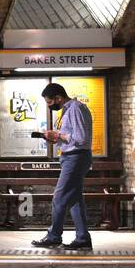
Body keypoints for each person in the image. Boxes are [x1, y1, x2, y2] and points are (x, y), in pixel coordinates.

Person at [32, 83, 94, 250]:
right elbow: (72, 137)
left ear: (58, 98)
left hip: (76, 158)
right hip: (72, 157)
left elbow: (80, 139)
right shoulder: (69, 110)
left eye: (50, 103)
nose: (50, 106)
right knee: (74, 199)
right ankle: (82, 238)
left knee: (59, 197)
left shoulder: (75, 109)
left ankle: (54, 236)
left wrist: (58, 134)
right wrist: (55, 138)